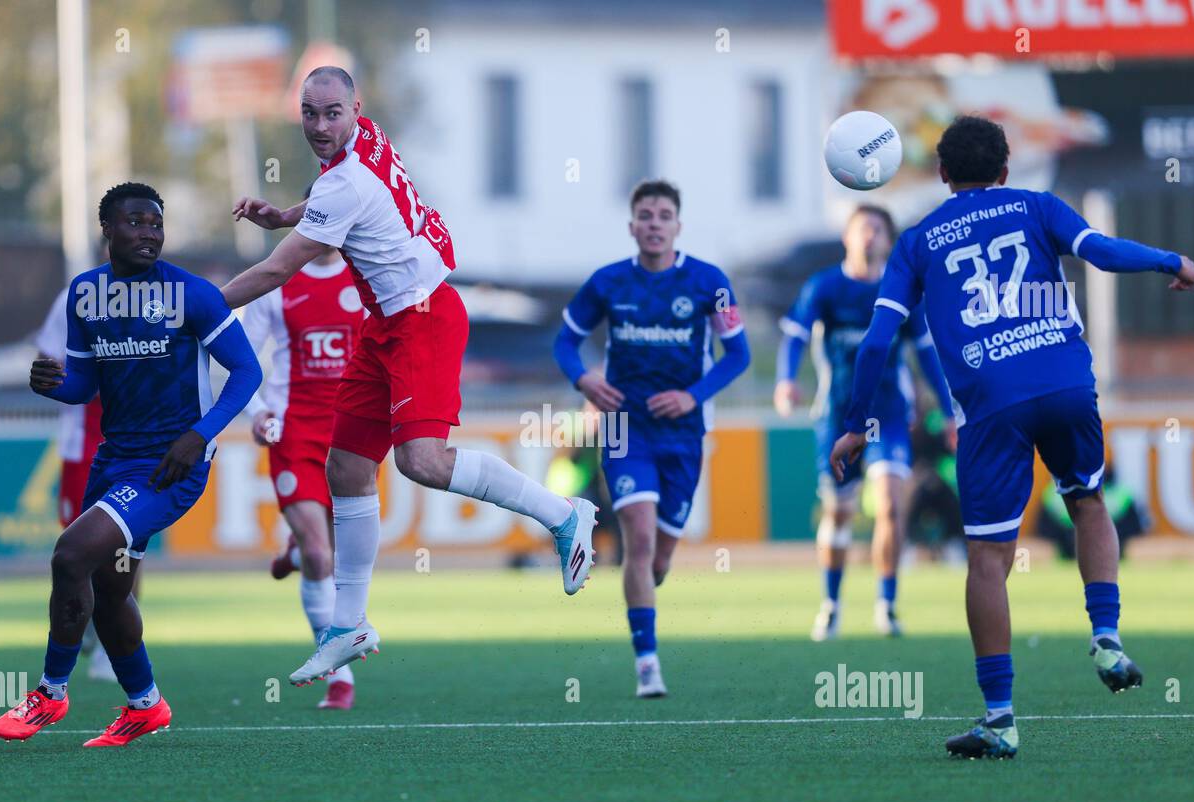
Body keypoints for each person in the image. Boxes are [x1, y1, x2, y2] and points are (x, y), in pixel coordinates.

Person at [830, 116, 1194, 759]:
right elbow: (1103, 252)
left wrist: (857, 427)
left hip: (991, 408)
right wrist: (1171, 259)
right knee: (1086, 499)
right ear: (1006, 169)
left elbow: (877, 344)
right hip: (1064, 385)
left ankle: (1000, 719)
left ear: (942, 175)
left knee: (989, 561)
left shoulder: (916, 242)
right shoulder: (1037, 205)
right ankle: (1106, 633)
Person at [219, 66, 597, 690]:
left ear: (354, 107)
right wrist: (287, 213)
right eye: (309, 112)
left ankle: (563, 516)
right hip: (384, 318)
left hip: (422, 314)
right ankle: (348, 625)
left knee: (421, 461)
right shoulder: (361, 138)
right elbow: (342, 198)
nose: (319, 125)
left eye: (330, 113)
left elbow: (272, 274)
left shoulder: (344, 177)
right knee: (346, 466)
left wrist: (194, 312)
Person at [0, 182, 262, 746]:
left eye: (156, 223)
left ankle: (50, 693)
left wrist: (199, 435)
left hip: (170, 465)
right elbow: (86, 383)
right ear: (107, 230)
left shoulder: (193, 293)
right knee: (111, 590)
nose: (149, 233)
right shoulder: (86, 295)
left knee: (70, 555)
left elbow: (246, 373)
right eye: (135, 222)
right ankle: (146, 705)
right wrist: (54, 385)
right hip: (115, 459)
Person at [554, 180, 750, 697]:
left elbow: (740, 356)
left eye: (664, 215)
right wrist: (584, 379)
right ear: (632, 226)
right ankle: (647, 665)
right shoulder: (608, 283)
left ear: (678, 225)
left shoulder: (711, 283)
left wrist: (694, 395)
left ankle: (645, 602)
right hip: (623, 428)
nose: (655, 223)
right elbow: (565, 341)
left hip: (684, 434)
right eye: (645, 215)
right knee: (637, 541)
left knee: (659, 560)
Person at [774, 205, 955, 640]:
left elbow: (928, 355)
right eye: (863, 228)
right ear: (847, 238)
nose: (870, 236)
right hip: (837, 416)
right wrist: (784, 381)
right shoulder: (825, 288)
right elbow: (795, 337)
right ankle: (831, 605)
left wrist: (950, 413)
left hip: (889, 415)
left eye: (878, 229)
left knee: (891, 503)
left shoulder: (904, 292)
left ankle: (886, 605)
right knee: (838, 513)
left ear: (889, 241)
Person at [241, 228, 368, 710]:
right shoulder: (277, 284)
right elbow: (239, 359)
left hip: (351, 435)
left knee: (333, 557)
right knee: (321, 556)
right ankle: (339, 675)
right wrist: (258, 413)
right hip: (293, 434)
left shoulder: (364, 282)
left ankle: (294, 556)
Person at [32, 237, 116, 681]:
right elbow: (47, 358)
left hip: (134, 441)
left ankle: (110, 642)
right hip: (81, 442)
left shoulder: (163, 298)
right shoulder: (76, 296)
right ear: (106, 245)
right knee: (75, 547)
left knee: (122, 548)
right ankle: (80, 623)